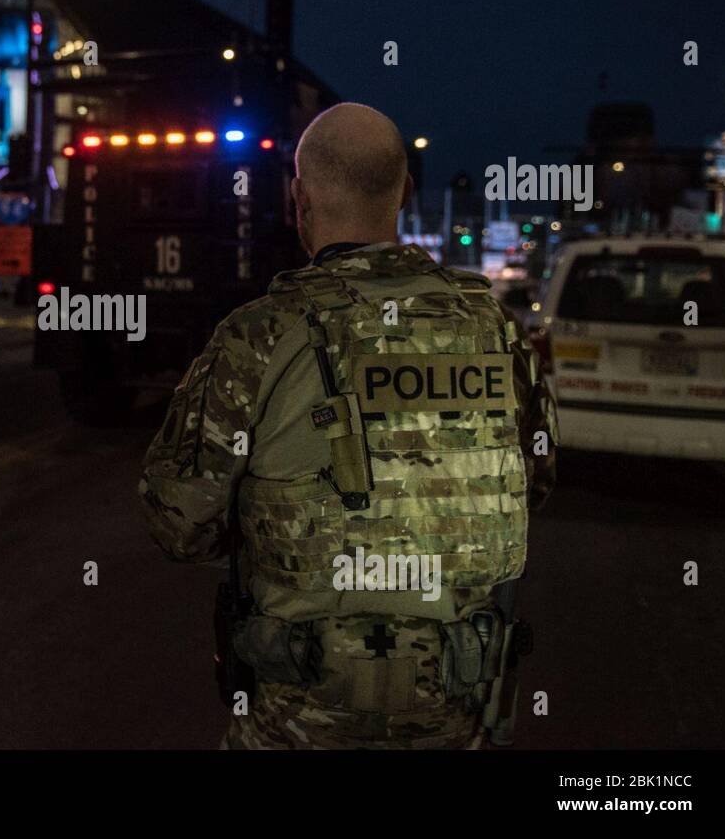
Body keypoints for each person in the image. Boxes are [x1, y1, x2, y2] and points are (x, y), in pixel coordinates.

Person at [139, 103, 557, 749]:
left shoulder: (257, 337)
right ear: (407, 195)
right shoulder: (494, 329)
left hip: (294, 725)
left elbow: (178, 521)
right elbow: (536, 482)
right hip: (453, 717)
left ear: (298, 199)